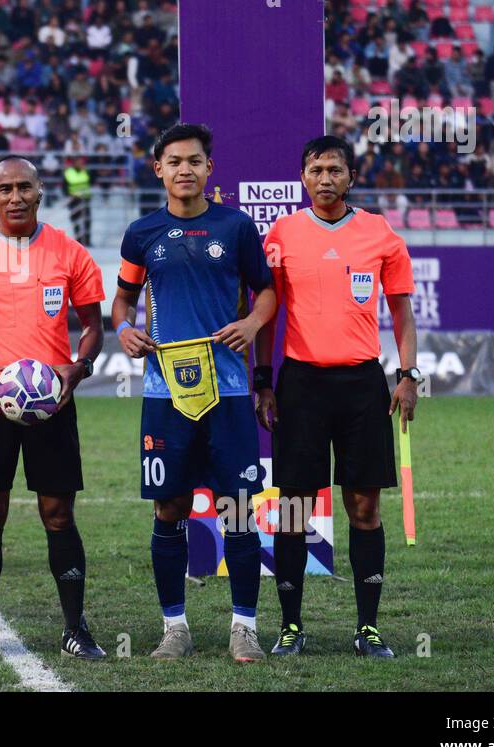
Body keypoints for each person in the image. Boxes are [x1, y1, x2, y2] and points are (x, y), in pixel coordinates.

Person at [111, 124, 277, 662]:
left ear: (210, 169)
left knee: (237, 508)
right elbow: (123, 300)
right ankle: (175, 629)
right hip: (165, 393)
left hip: (227, 390)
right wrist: (125, 329)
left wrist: (252, 324)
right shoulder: (142, 233)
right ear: (158, 168)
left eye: (195, 161)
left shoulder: (236, 226)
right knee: (169, 507)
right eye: (174, 161)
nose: (185, 170)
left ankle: (244, 628)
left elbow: (268, 292)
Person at [254, 135, 420, 660]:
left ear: (351, 176)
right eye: (316, 169)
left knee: (364, 506)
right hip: (301, 385)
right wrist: (263, 379)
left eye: (335, 169)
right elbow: (267, 312)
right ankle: (290, 628)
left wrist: (408, 374)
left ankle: (367, 629)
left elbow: (402, 312)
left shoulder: (380, 234)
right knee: (295, 509)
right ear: (303, 177)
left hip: (362, 384)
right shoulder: (281, 234)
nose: (325, 178)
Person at [0, 156, 107, 660]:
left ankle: (76, 628)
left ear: (40, 192)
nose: (15, 196)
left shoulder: (69, 252)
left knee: (58, 513)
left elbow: (93, 326)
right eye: (5, 188)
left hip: (52, 400)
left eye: (24, 187)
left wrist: (79, 368)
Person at [63, 156, 92, 246]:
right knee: (76, 221)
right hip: (74, 200)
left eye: (81, 162)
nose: (80, 164)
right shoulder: (68, 173)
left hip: (85, 200)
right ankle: (78, 241)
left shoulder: (86, 171)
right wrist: (69, 194)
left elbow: (92, 181)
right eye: (78, 162)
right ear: (74, 163)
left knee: (87, 221)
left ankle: (87, 241)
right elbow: (64, 187)